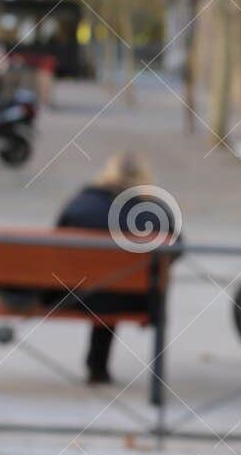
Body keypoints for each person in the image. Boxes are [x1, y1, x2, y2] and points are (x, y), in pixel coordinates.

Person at [55, 152, 171, 385]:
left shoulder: (82, 204)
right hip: (135, 299)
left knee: (101, 285)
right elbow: (176, 249)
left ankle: (97, 367)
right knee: (113, 286)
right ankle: (99, 368)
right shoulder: (154, 213)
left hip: (76, 296)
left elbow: (57, 243)